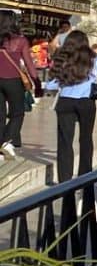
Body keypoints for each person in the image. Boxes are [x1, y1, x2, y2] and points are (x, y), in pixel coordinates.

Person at [43, 31, 97, 181]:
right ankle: (85, 177)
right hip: (86, 102)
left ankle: (64, 180)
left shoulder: (62, 58)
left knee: (65, 142)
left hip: (65, 102)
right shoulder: (94, 59)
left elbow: (51, 84)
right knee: (86, 139)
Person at [0, 12, 38, 159]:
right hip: (13, 81)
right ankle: (7, 141)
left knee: (0, 115)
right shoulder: (20, 40)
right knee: (17, 113)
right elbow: (29, 63)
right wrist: (36, 82)